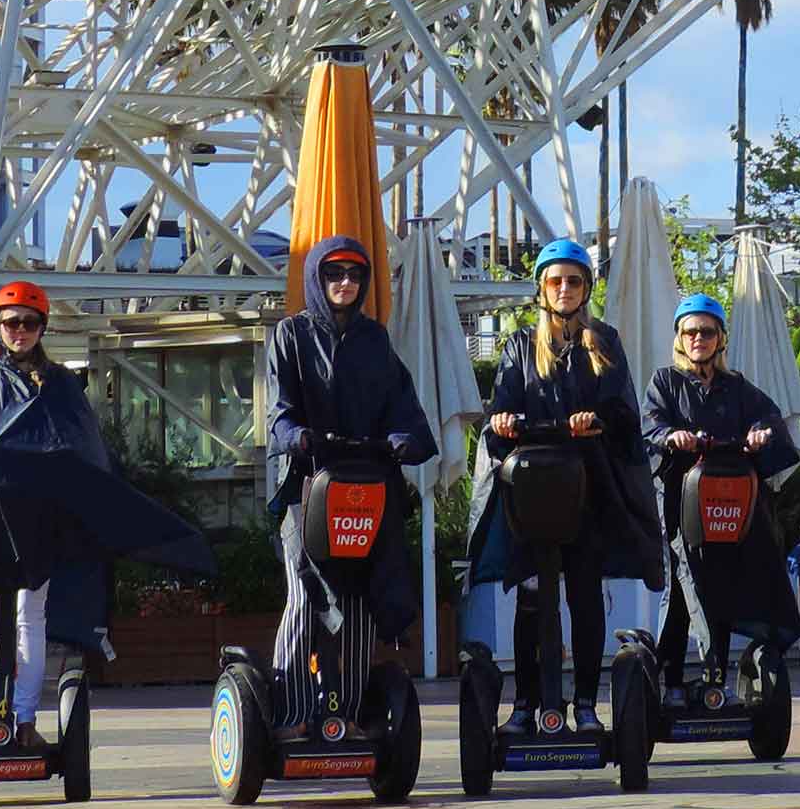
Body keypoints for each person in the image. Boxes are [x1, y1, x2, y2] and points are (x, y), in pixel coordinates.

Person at [0, 280, 213, 751]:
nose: (20, 331)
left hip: (37, 516)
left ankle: (26, 722)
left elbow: (83, 449)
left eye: (30, 323)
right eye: (12, 323)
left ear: (41, 328)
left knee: (31, 616)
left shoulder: (59, 385)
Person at [466, 239, 665, 734]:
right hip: (532, 493)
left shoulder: (605, 341)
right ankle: (525, 706)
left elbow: (624, 412)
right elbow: (500, 406)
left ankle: (583, 705)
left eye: (573, 280)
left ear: (585, 287)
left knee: (583, 593)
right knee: (532, 594)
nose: (564, 288)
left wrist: (595, 418)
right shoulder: (518, 345)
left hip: (587, 491)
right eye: (555, 280)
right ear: (541, 288)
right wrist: (506, 420)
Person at [266, 235, 437, 740]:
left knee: (361, 600)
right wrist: (295, 436)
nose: (345, 282)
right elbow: (278, 410)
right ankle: (293, 713)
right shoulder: (290, 335)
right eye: (334, 273)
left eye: (355, 274)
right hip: (308, 492)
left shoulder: (374, 339)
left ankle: (352, 713)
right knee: (306, 596)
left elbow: (403, 405)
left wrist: (407, 441)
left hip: (364, 489)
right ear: (316, 279)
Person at [643, 294, 800, 707]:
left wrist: (760, 434)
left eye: (707, 331)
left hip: (730, 507)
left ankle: (720, 675)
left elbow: (767, 419)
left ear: (720, 338)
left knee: (729, 579)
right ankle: (674, 680)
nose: (699, 338)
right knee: (684, 585)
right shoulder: (665, 382)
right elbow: (650, 428)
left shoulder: (737, 387)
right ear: (679, 337)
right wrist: (670, 437)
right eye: (691, 331)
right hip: (681, 503)